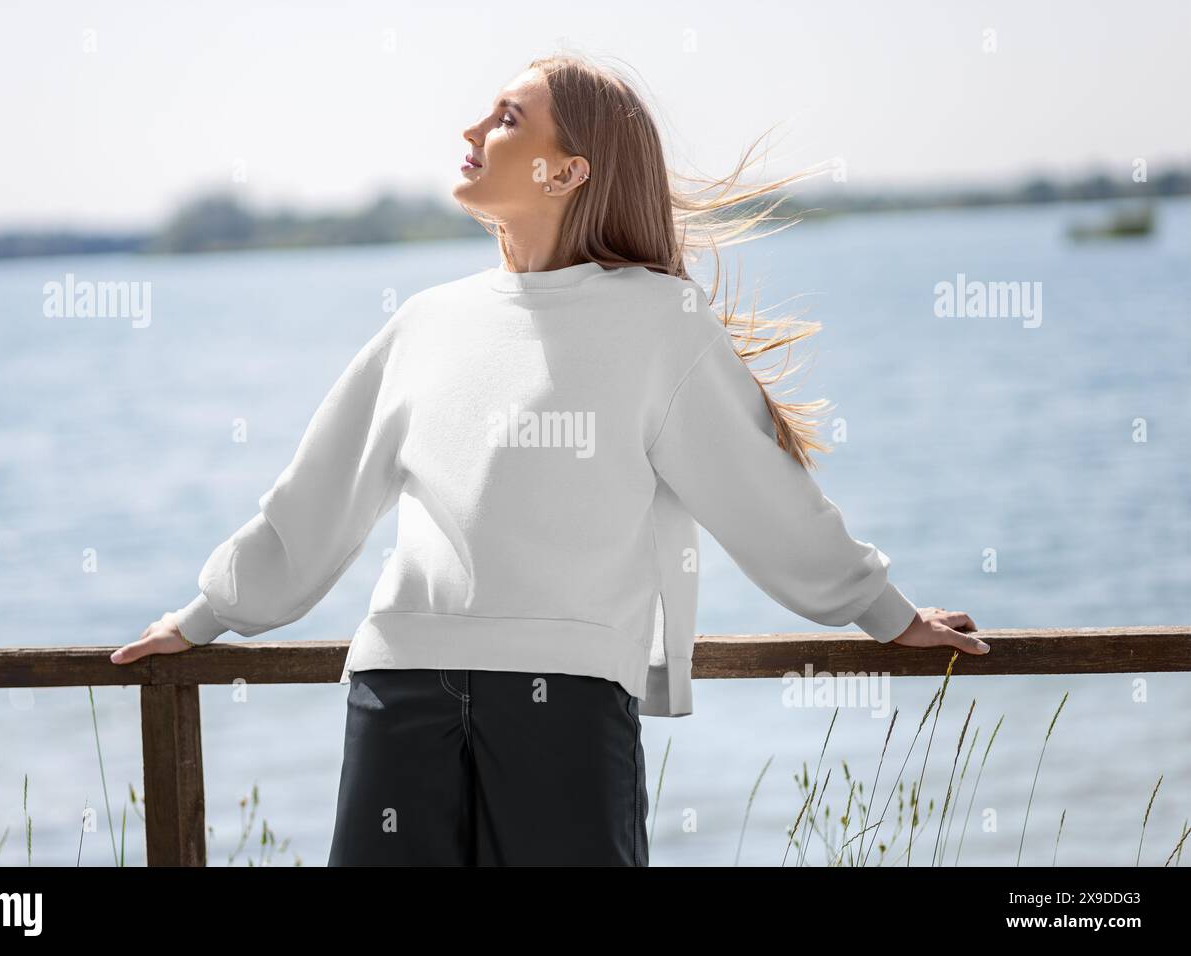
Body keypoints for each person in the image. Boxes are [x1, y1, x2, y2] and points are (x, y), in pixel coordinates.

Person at [110, 51, 986, 866]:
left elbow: (760, 493)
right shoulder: (425, 322)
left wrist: (882, 611)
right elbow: (314, 501)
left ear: (567, 171)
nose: (468, 133)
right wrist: (202, 616)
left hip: (563, 701)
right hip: (397, 692)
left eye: (503, 118)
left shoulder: (657, 321)